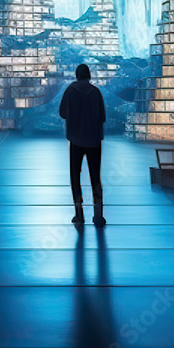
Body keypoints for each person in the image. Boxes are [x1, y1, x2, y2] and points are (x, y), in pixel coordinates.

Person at [58, 63, 106, 226]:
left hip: (76, 140)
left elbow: (63, 113)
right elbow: (103, 117)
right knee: (95, 178)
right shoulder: (96, 92)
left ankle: (79, 213)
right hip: (94, 141)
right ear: (89, 75)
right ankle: (98, 214)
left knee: (75, 176)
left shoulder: (70, 91)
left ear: (77, 75)